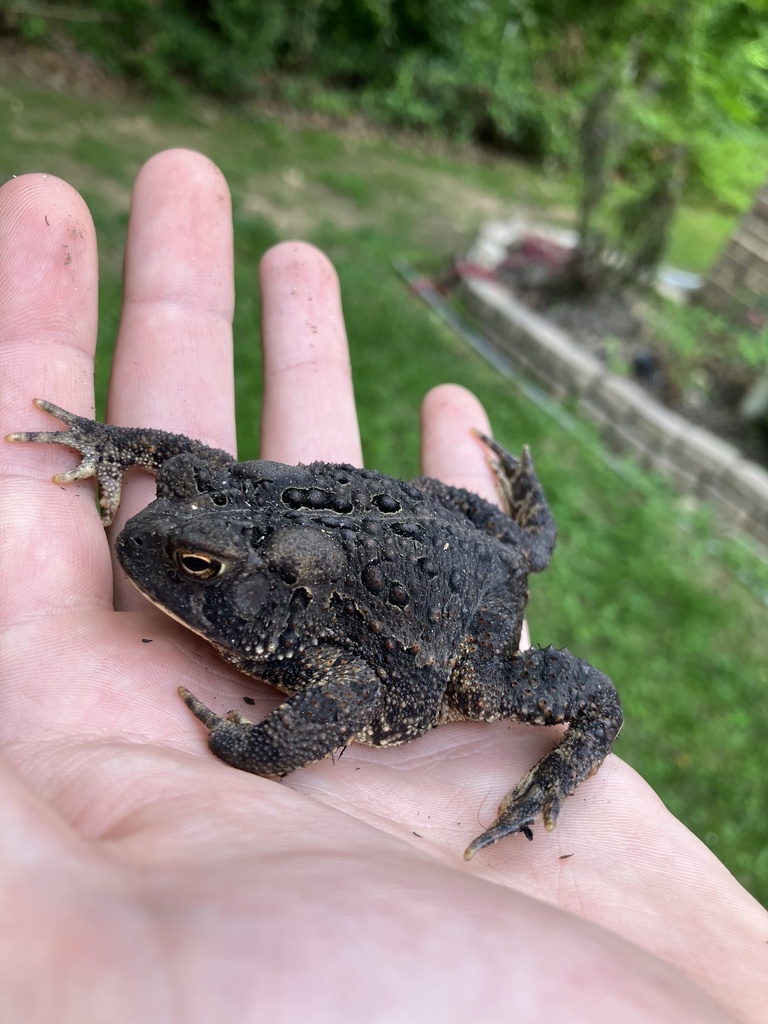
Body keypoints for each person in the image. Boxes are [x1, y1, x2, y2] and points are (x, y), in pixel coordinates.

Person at [0, 149, 765, 1024]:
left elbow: (358, 681)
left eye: (198, 571)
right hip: (370, 530)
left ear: (255, 594)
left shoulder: (304, 632)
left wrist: (254, 751)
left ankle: (530, 570)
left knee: (495, 683)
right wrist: (112, 444)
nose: (162, 544)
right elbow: (196, 465)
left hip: (456, 622)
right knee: (413, 524)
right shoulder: (224, 502)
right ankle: (521, 539)